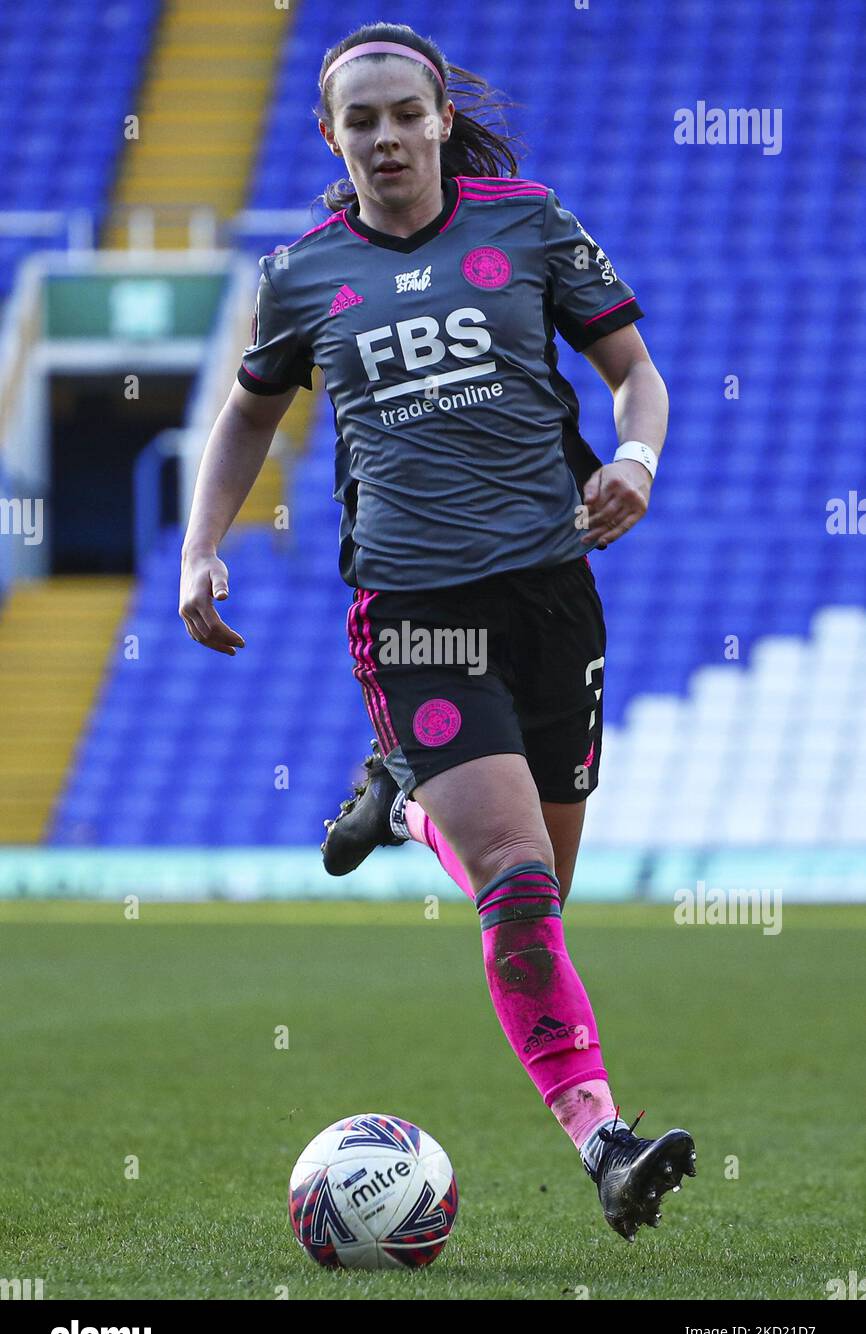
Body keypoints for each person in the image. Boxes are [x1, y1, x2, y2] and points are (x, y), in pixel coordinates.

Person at [179, 21, 696, 1243]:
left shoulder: (525, 224)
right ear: (331, 136)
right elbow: (246, 419)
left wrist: (634, 457)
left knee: (543, 900)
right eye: (359, 121)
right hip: (412, 610)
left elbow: (636, 372)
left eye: (404, 114)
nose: (385, 136)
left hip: (550, 596)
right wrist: (203, 547)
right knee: (516, 899)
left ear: (439, 122)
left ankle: (403, 802)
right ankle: (606, 1145)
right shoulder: (303, 274)